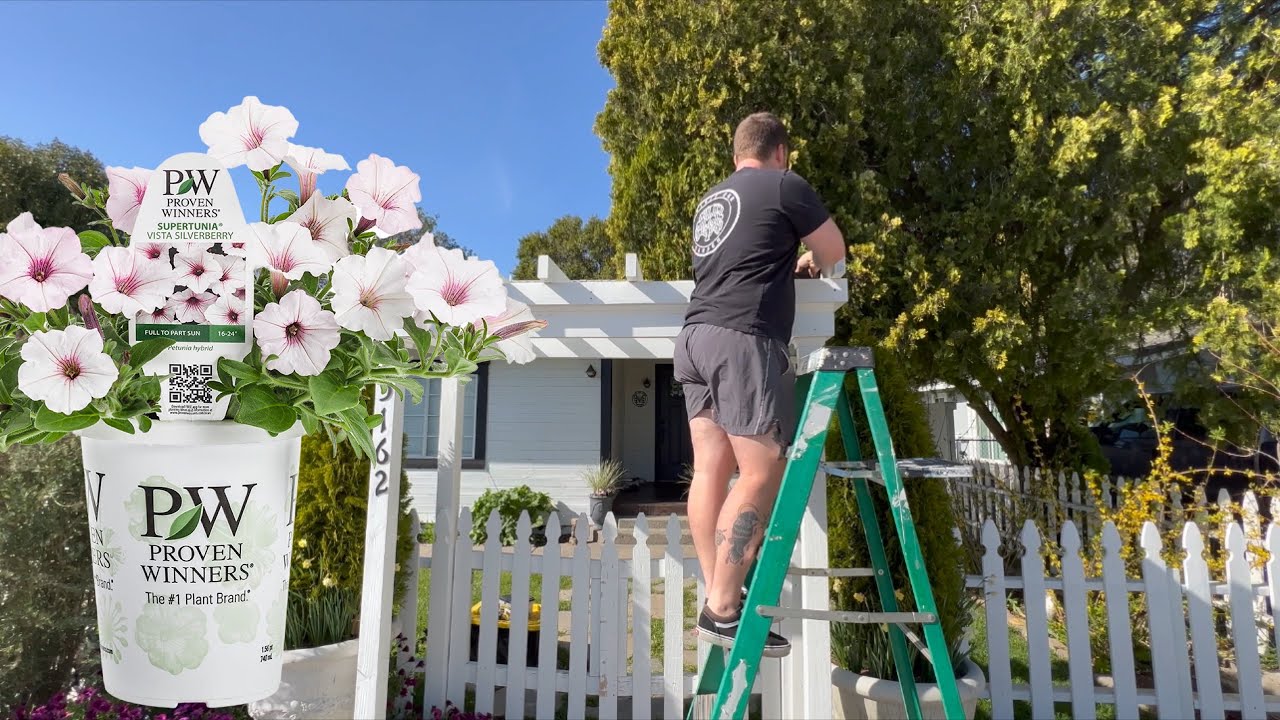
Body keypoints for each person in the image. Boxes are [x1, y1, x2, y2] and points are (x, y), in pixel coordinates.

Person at [674, 112, 846, 656]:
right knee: (762, 468)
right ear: (781, 152)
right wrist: (811, 261)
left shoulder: (712, 200)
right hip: (743, 339)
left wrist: (783, 262)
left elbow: (744, 259)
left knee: (711, 468)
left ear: (736, 157)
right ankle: (724, 606)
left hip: (694, 338)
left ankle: (718, 597)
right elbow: (834, 252)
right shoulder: (783, 184)